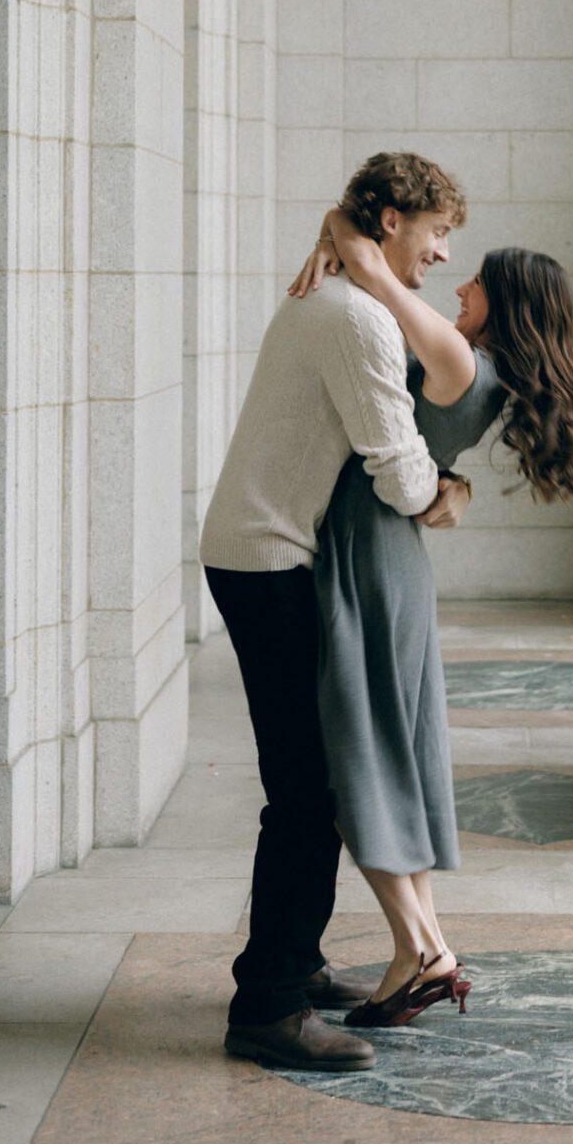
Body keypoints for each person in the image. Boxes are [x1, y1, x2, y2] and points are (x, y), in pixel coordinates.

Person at [289, 193, 573, 1030]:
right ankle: (416, 951)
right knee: (383, 753)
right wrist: (337, 249)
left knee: (358, 761)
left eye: (479, 284)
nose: (459, 285)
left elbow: (377, 274)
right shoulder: (479, 369)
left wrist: (336, 240)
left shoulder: (460, 361)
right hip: (387, 557)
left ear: (508, 307)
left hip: (369, 557)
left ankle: (426, 952)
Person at [199, 151, 471, 1073]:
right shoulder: (355, 316)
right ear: (391, 221)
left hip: (261, 552)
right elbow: (395, 468)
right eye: (435, 234)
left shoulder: (339, 296)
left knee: (305, 784)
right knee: (306, 794)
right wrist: (447, 494)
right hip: (268, 561)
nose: (439, 256)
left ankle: (299, 967)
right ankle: (266, 1006)